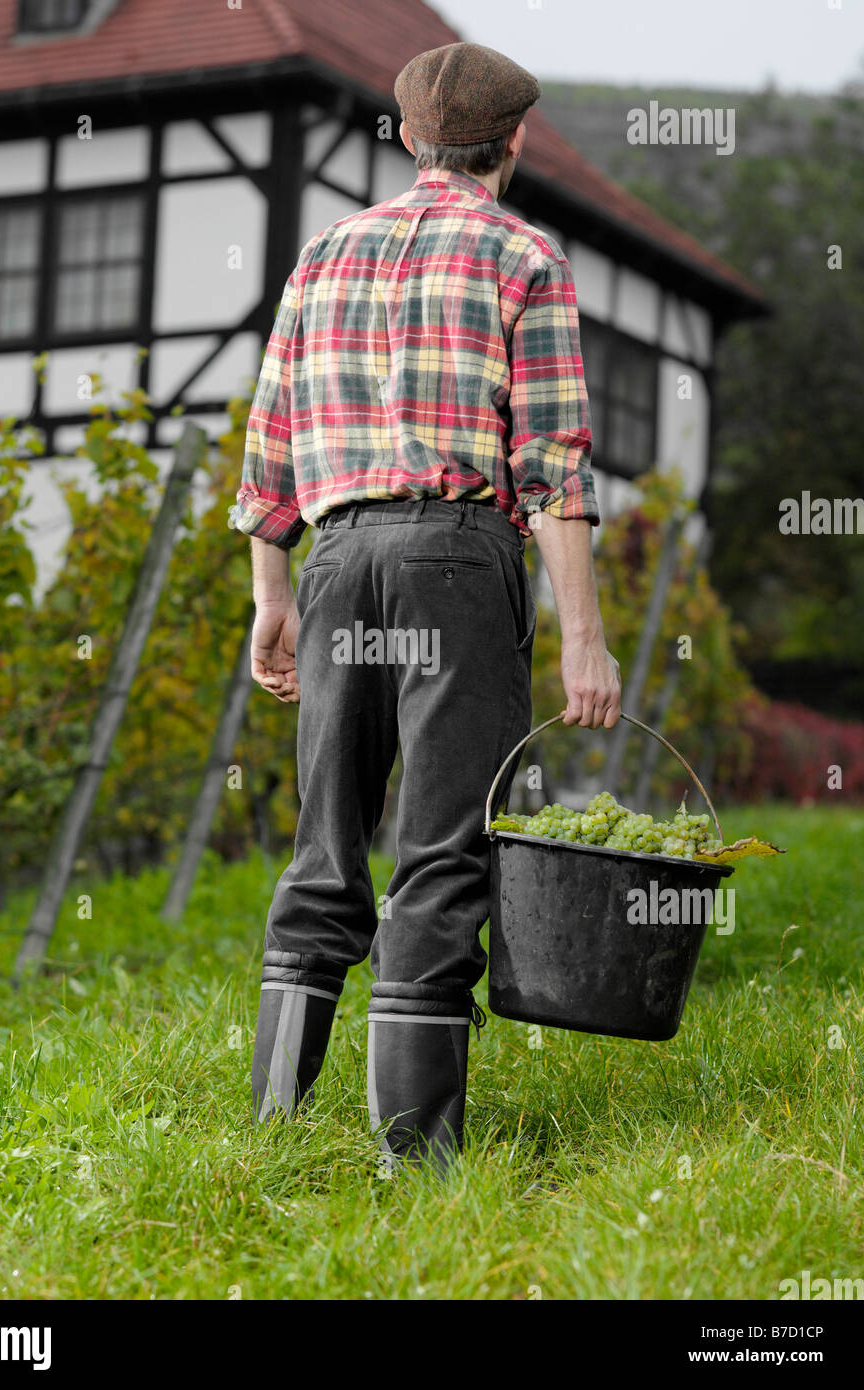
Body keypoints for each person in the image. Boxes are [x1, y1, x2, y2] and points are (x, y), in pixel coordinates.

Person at [231, 42, 622, 1172]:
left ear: (406, 141)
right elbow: (548, 465)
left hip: (336, 556)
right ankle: (416, 1154)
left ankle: (272, 1125)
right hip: (455, 557)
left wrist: (273, 597)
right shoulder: (524, 254)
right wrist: (583, 642)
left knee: (324, 840)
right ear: (517, 142)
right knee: (444, 848)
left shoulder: (323, 254)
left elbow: (270, 451)